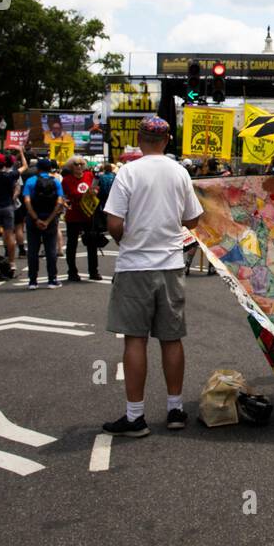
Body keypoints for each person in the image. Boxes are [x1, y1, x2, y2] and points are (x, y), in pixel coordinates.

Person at [101, 116, 202, 437]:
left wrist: (127, 239)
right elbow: (194, 219)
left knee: (135, 339)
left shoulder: (128, 172)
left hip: (134, 266)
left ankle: (135, 416)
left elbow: (114, 223)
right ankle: (175, 409)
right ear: (167, 139)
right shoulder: (179, 172)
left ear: (139, 139)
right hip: (171, 264)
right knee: (171, 338)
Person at [22, 157, 65, 289]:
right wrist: (49, 219)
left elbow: (27, 201)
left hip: (33, 220)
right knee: (51, 250)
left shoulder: (30, 181)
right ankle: (52, 279)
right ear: (50, 168)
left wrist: (35, 218)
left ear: (38, 168)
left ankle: (33, 281)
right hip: (50, 220)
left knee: (33, 251)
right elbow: (59, 201)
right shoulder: (56, 182)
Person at [61, 156, 100, 282]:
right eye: (75, 164)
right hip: (73, 215)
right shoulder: (66, 180)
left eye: (80, 164)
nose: (78, 166)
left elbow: (96, 188)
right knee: (72, 244)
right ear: (71, 166)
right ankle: (72, 271)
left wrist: (94, 191)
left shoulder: (89, 176)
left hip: (88, 214)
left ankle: (93, 271)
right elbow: (67, 195)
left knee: (92, 243)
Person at [0, 152, 19, 278]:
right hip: (7, 206)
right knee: (10, 234)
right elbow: (22, 169)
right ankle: (11, 262)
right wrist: (21, 153)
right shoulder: (9, 175)